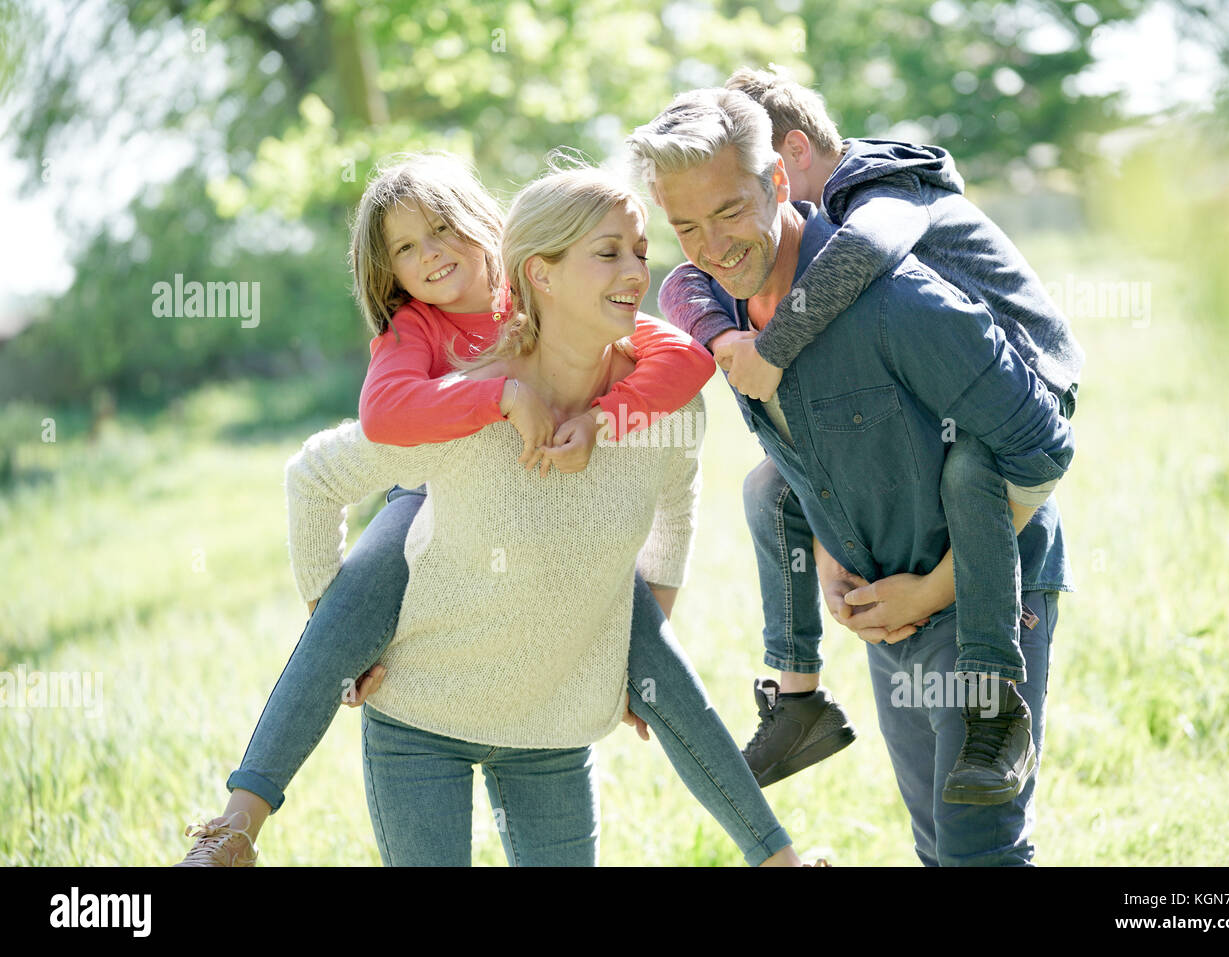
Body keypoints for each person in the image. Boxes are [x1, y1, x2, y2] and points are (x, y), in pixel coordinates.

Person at [175, 154, 801, 866]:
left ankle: (774, 853)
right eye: (405, 249)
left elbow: (683, 361)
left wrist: (604, 417)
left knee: (651, 643)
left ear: (488, 227)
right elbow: (379, 417)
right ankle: (239, 819)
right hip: (421, 490)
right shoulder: (416, 327)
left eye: (441, 230)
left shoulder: (543, 293)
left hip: (550, 683)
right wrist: (497, 399)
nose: (430, 255)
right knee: (347, 608)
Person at [627, 87, 1075, 864]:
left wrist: (931, 590)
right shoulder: (727, 321)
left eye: (729, 211)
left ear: (777, 181)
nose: (712, 245)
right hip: (883, 616)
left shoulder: (895, 300)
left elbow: (1041, 443)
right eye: (686, 226)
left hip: (983, 602)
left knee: (980, 851)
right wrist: (828, 549)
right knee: (941, 847)